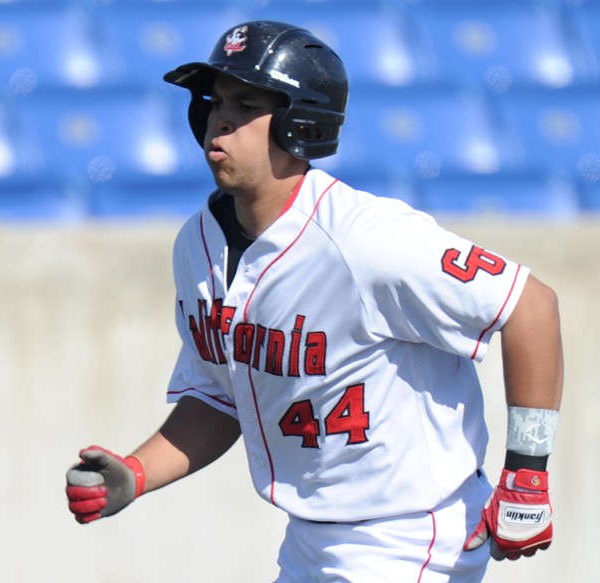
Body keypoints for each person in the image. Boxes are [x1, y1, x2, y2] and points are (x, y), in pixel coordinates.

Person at [66, 20, 564, 582]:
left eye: (246, 102)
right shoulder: (196, 245)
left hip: (407, 538)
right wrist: (136, 472)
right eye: (216, 99)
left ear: (298, 122)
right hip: (309, 538)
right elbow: (220, 398)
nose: (219, 118)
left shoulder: (366, 240)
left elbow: (530, 305)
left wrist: (527, 473)